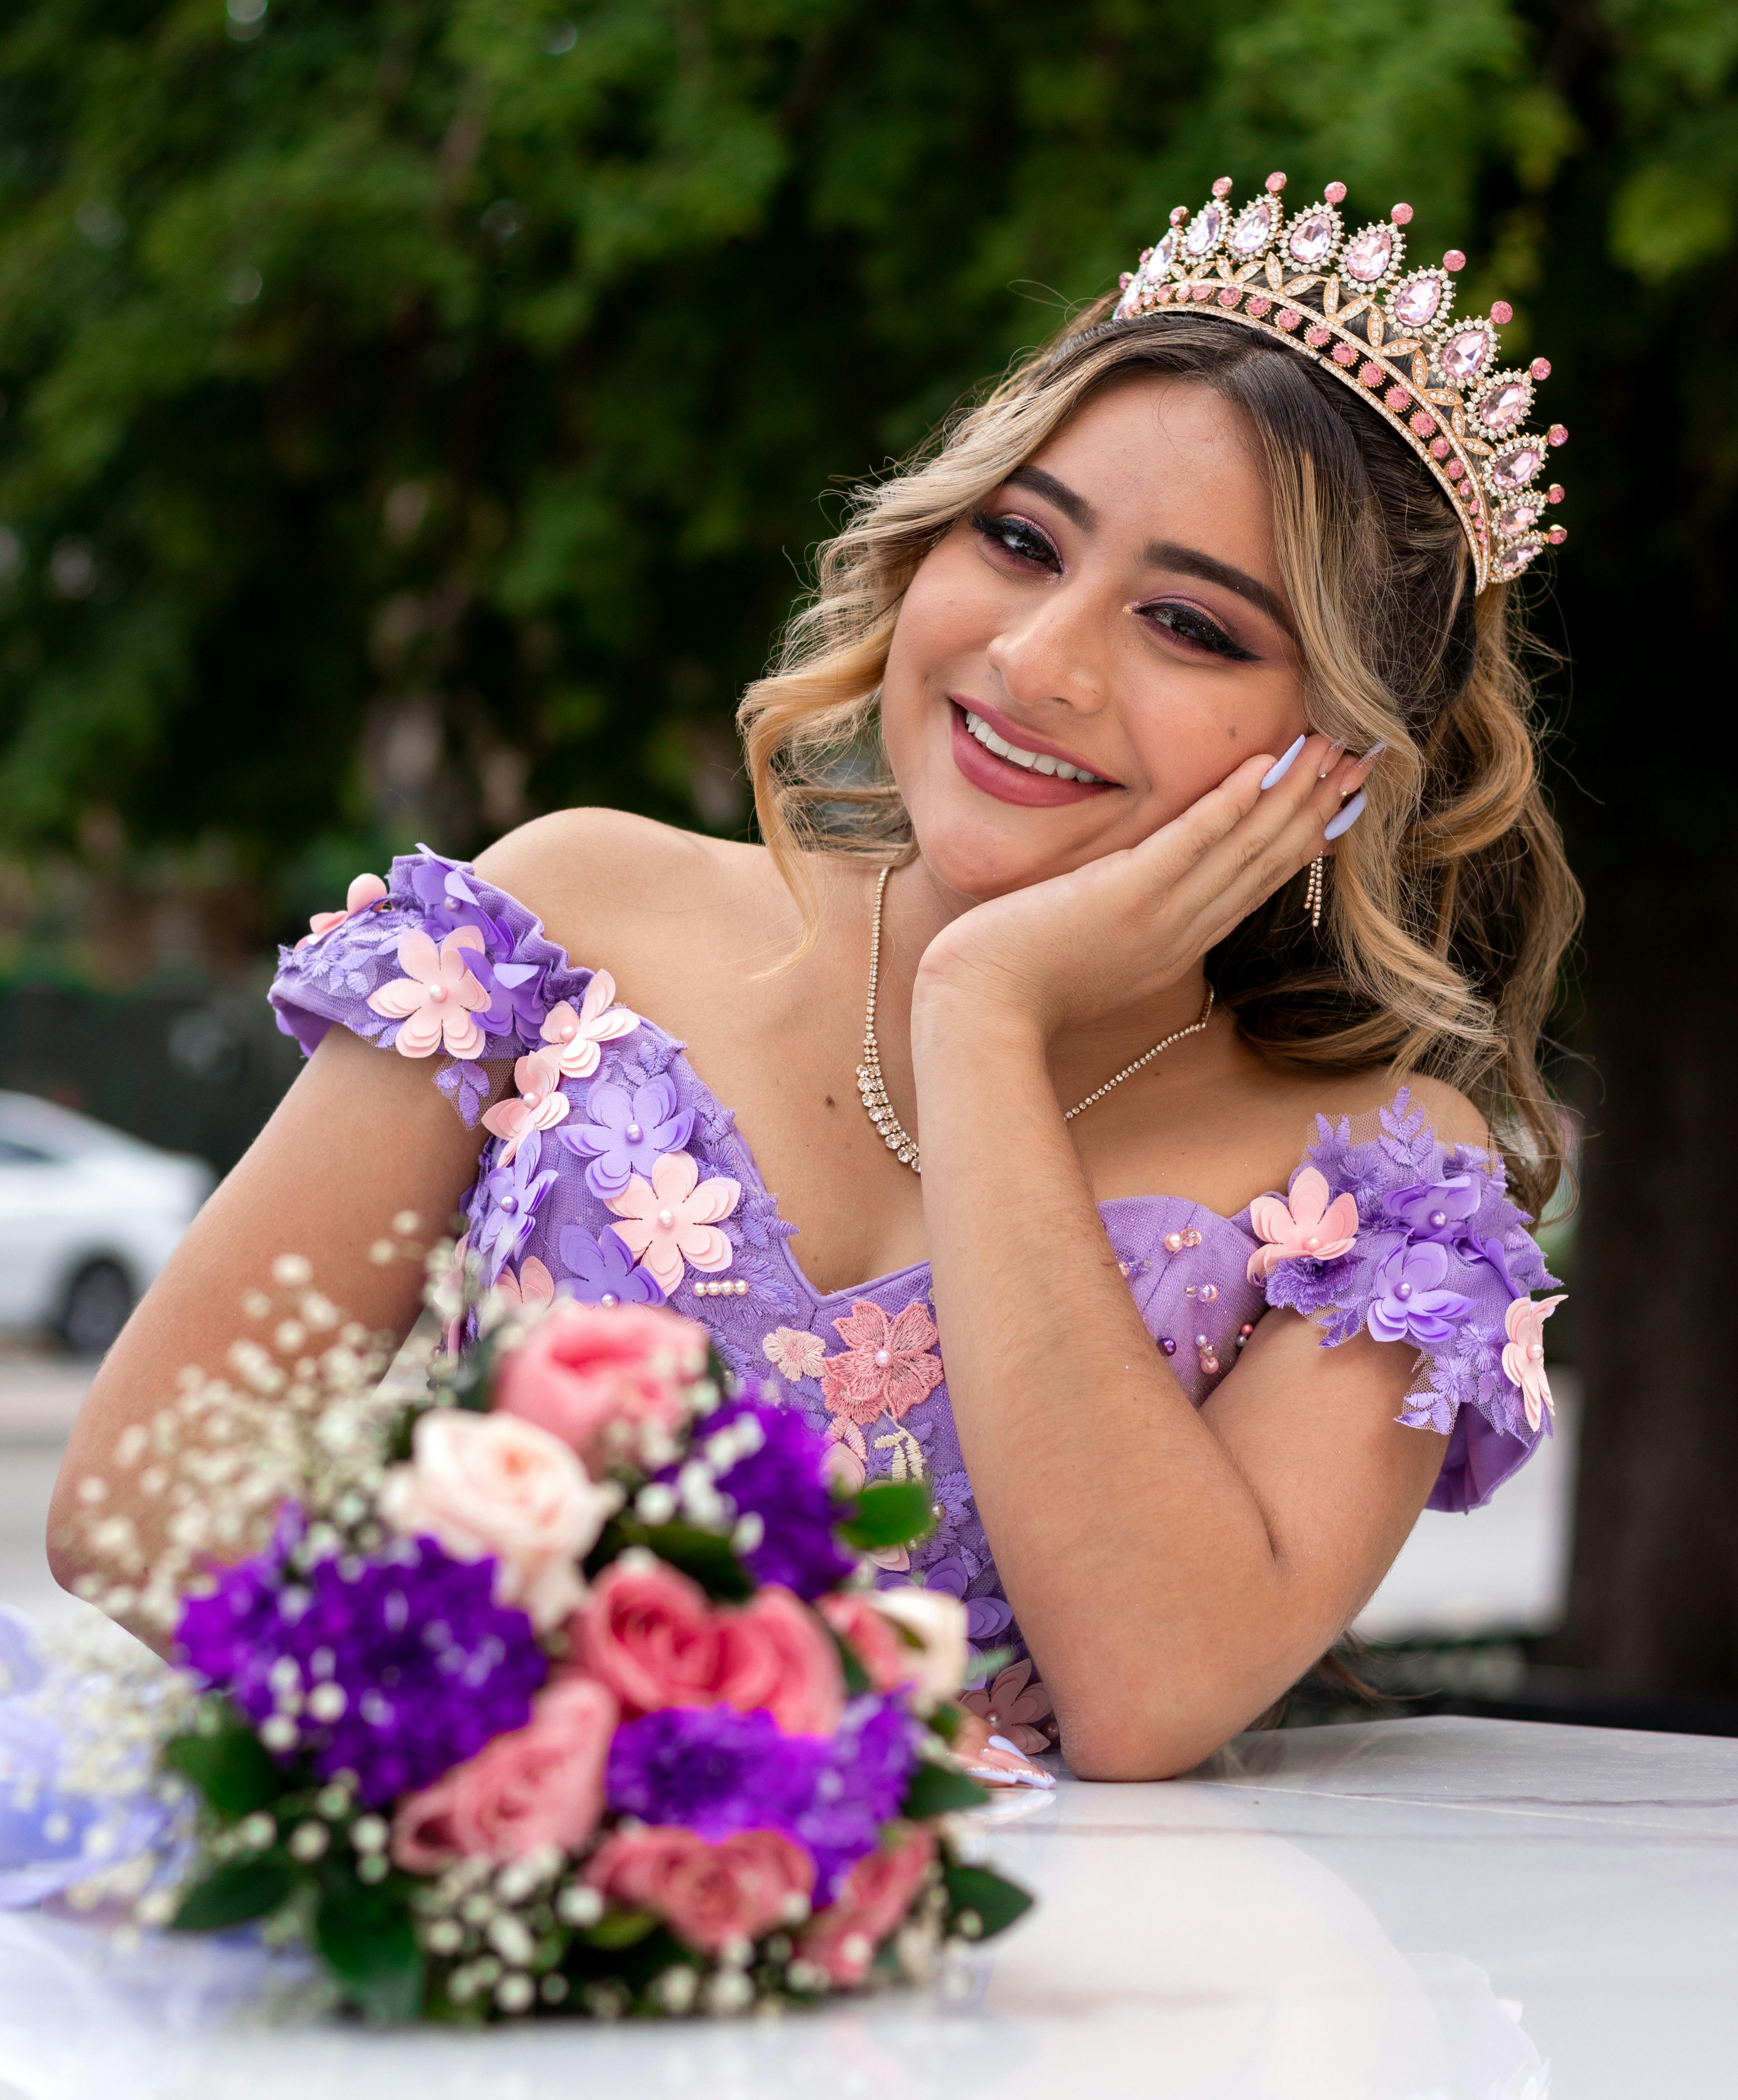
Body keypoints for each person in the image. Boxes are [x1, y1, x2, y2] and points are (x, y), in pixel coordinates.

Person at [50, 173, 1579, 1780]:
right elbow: (144, 1497)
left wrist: (985, 1015)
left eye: (1191, 626)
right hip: (490, 1960)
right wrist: (614, 1781)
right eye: (1016, 538)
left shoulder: (1387, 1186)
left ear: (1335, 754)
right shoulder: (570, 914)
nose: (1039, 661)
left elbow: (1149, 1692)